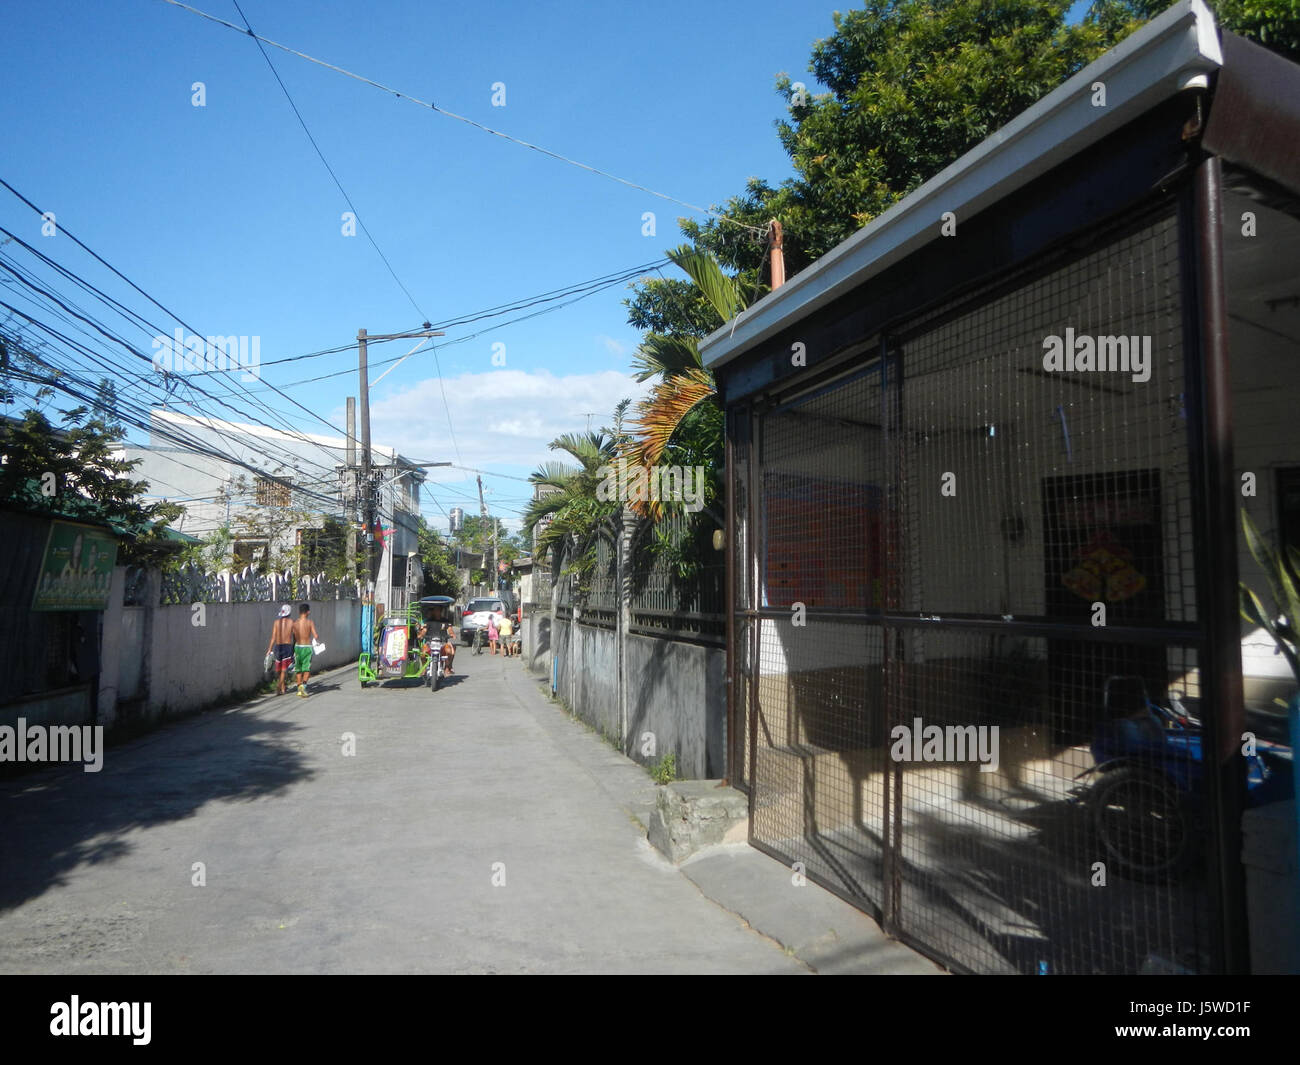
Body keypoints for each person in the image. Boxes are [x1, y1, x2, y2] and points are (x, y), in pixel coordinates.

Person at [265, 604, 295, 695]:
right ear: (289, 613)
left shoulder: (276, 622)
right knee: (284, 669)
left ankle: (282, 687)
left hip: (278, 646)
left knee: (279, 669)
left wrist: (269, 649)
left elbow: (273, 637)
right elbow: (295, 636)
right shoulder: (292, 622)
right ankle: (279, 687)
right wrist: (295, 648)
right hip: (287, 646)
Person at [292, 603, 319, 698]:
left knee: (298, 668)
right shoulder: (310, 622)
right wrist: (316, 640)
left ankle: (299, 688)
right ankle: (303, 687)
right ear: (307, 612)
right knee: (307, 668)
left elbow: (294, 637)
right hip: (307, 647)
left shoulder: (294, 623)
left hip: (297, 647)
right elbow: (316, 636)